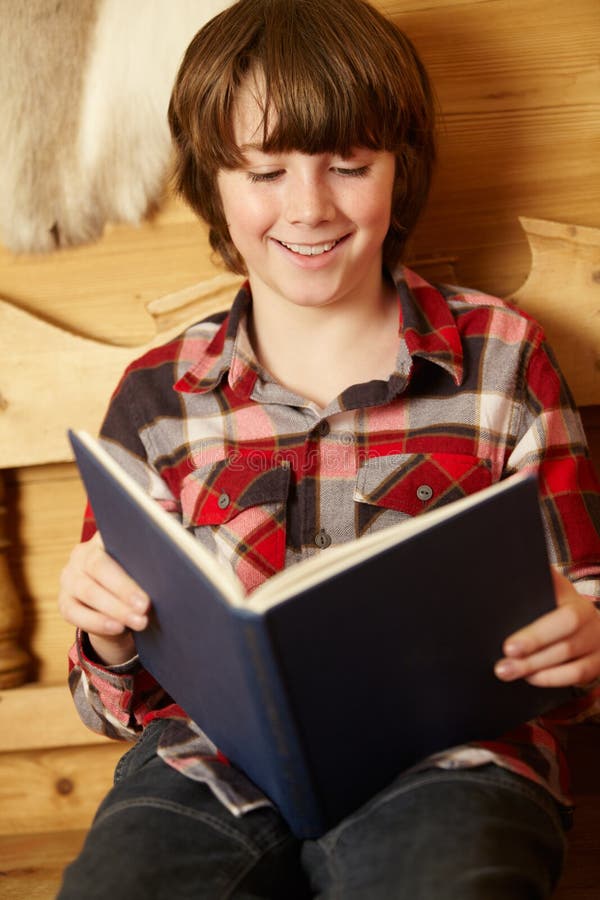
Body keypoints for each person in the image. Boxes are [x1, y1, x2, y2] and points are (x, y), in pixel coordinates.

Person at [56, 0, 600, 897]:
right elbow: (115, 708)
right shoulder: (158, 395)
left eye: (349, 165)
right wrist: (106, 642)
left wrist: (583, 638)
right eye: (265, 170)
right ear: (213, 184)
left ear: (401, 170)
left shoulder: (501, 356)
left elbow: (583, 609)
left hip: (451, 763)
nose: (308, 208)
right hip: (205, 773)